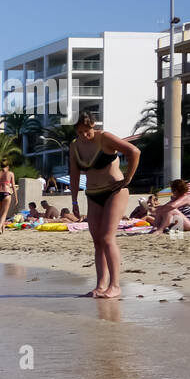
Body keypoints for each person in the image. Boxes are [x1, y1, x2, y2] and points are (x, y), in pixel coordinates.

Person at [69, 111, 139, 298]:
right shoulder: (75, 146)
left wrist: (128, 178)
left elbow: (134, 151)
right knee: (97, 241)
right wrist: (74, 200)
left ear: (94, 126)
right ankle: (101, 286)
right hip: (92, 194)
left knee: (108, 238)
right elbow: (74, 174)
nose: (85, 135)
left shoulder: (105, 138)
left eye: (88, 131)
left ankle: (115, 285)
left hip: (114, 191)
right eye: (81, 131)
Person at [0, 161, 17, 232]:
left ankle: (2, 229)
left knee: (1, 213)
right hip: (6, 193)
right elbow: (13, 186)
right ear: (8, 166)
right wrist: (16, 198)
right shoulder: (10, 173)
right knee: (4, 213)